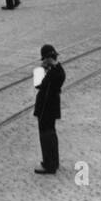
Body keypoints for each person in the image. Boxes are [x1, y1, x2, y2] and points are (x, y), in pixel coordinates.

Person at [34, 44, 65, 174]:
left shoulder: (55, 72)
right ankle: (53, 162)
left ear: (47, 58)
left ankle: (49, 164)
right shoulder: (56, 70)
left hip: (46, 109)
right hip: (48, 109)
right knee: (50, 135)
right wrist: (46, 69)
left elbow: (39, 85)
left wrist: (41, 70)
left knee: (46, 136)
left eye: (44, 59)